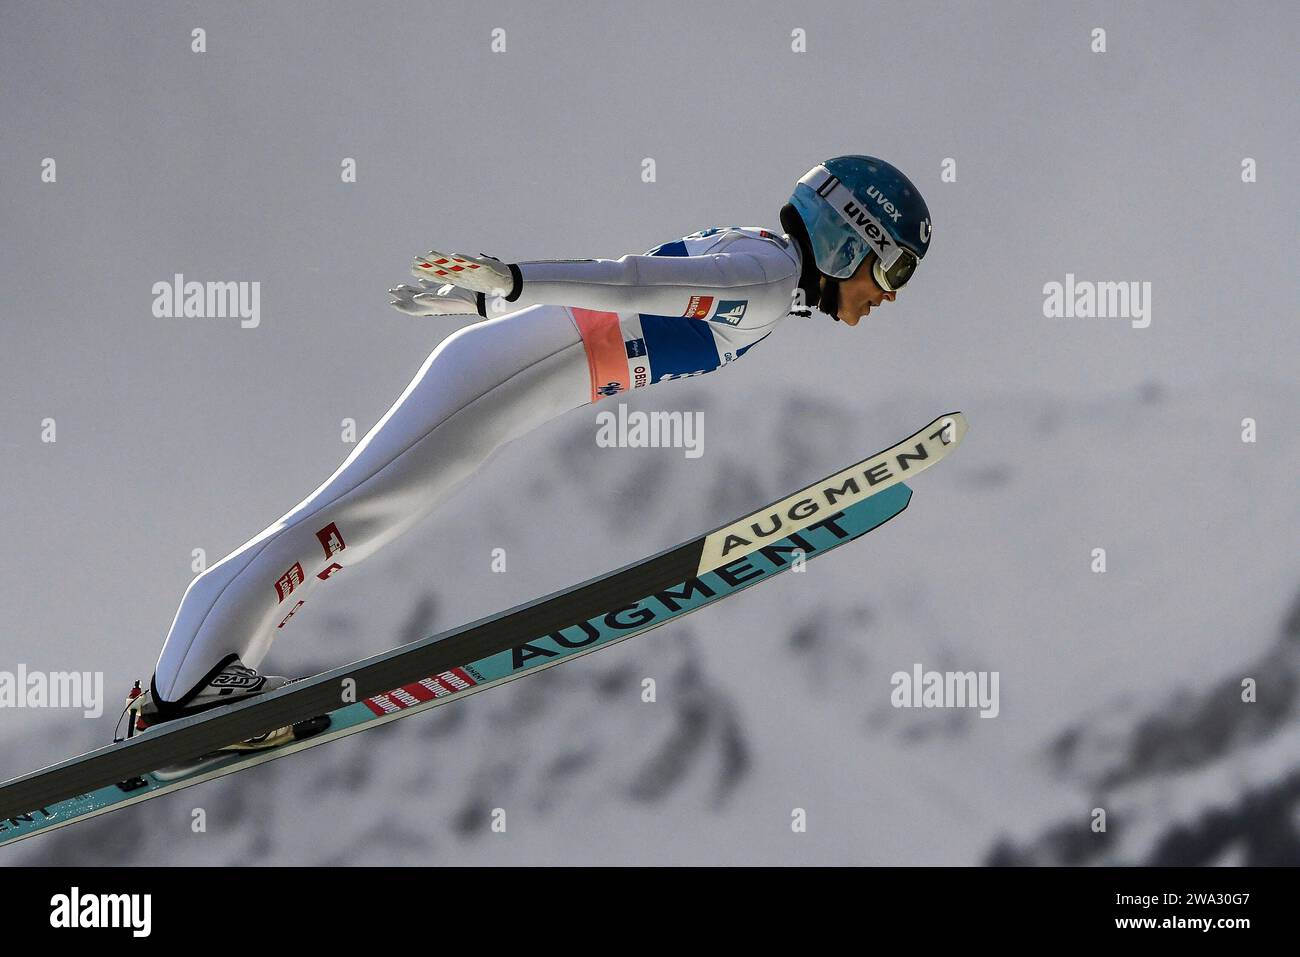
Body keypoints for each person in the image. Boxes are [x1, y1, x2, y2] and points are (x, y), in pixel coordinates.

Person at [130, 155, 932, 740]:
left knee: (352, 523)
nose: (888, 294)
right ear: (848, 237)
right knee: (348, 520)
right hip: (494, 385)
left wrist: (490, 306)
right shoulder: (762, 275)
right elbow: (631, 283)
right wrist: (511, 282)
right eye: (892, 266)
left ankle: (201, 686)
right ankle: (188, 688)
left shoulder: (765, 267)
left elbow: (615, 306)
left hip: (501, 380)